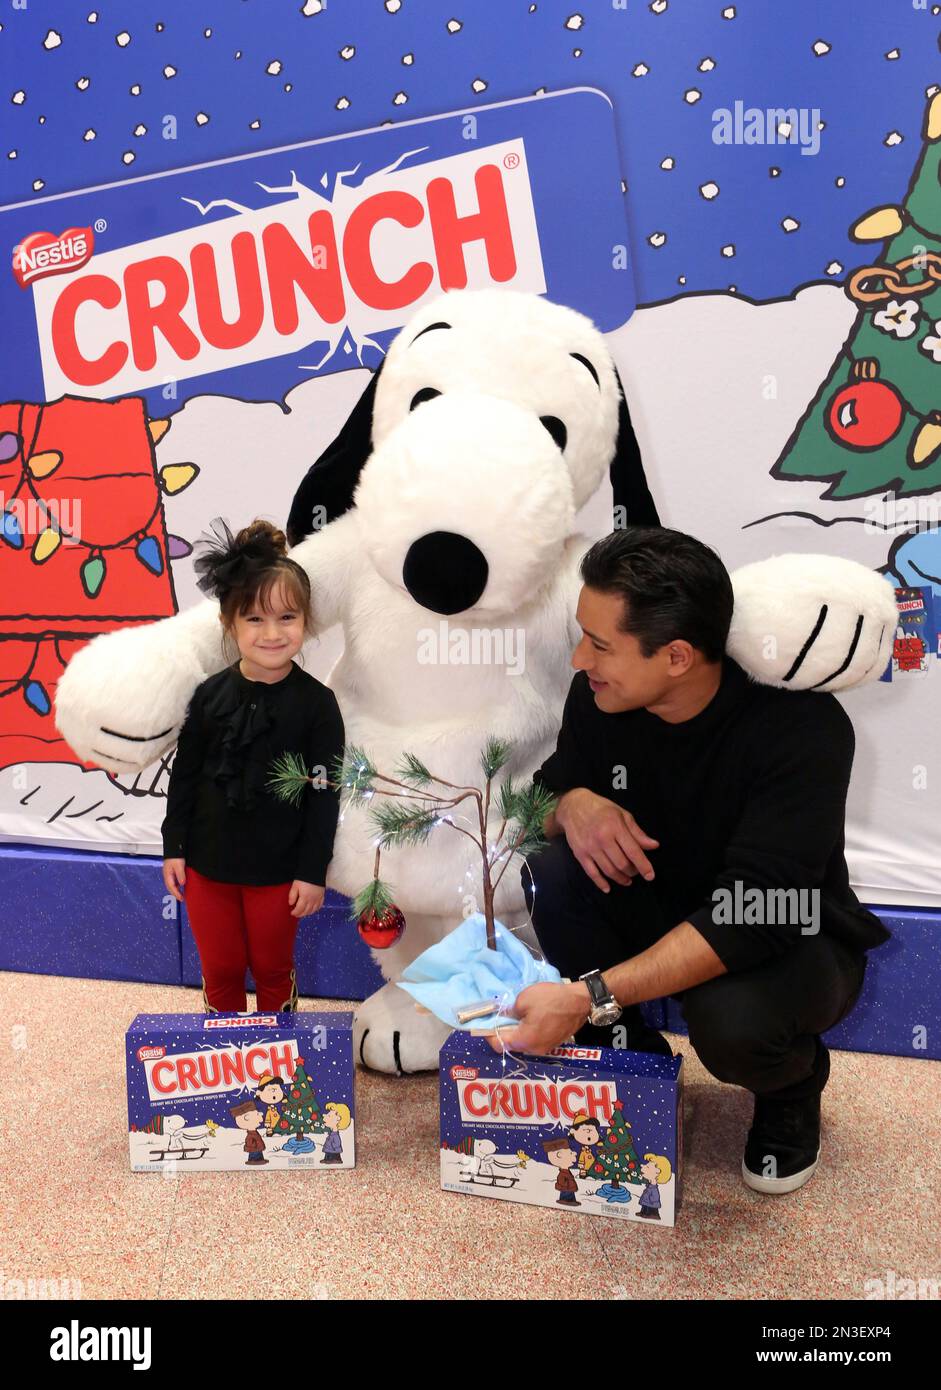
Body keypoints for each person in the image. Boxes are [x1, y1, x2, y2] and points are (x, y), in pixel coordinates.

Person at [492, 527, 890, 1195]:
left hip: (784, 935)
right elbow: (545, 793)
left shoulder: (802, 729)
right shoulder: (602, 692)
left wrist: (586, 994)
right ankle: (629, 1050)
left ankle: (790, 1086)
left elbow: (752, 914)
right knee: (551, 871)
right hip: (657, 900)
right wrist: (576, 804)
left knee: (733, 1025)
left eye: (599, 644)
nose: (577, 658)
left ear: (675, 656)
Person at [162, 518, 344, 1014]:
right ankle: (225, 1069)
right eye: (255, 619)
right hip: (206, 867)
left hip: (279, 875)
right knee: (220, 968)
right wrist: (174, 846)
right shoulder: (207, 695)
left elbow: (325, 794)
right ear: (229, 624)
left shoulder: (318, 705)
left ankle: (277, 1077)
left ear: (306, 621)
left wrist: (312, 871)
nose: (272, 633)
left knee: (270, 967)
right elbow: (185, 776)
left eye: (287, 617)